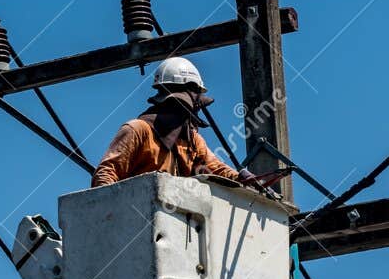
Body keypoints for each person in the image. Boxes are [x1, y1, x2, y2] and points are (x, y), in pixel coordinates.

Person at [91, 57, 281, 190]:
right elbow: (106, 174)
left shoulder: (191, 140)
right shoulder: (138, 130)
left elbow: (215, 168)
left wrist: (243, 178)